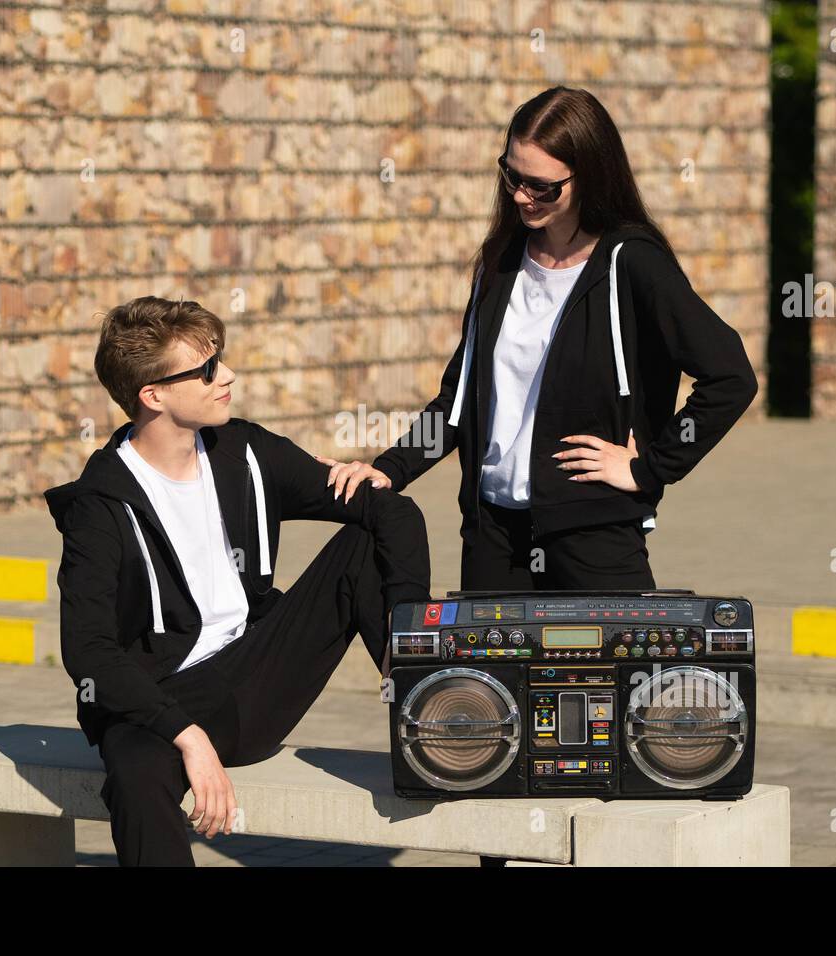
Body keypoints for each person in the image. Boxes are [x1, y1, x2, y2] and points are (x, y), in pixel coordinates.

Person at [321, 86, 759, 593]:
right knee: (489, 676)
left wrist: (649, 468)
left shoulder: (631, 262)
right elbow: (458, 399)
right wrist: (391, 470)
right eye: (511, 175)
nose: (521, 196)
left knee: (611, 675)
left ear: (589, 176)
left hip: (593, 529)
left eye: (542, 186)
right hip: (493, 534)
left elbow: (730, 377)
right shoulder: (502, 261)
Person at [44, 295, 431, 866]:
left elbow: (392, 513)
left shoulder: (244, 450)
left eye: (219, 359)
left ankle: (429, 699)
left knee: (370, 535)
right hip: (164, 699)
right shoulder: (100, 505)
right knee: (134, 772)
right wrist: (188, 736)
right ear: (153, 395)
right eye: (205, 370)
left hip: (260, 671)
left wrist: (409, 646)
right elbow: (90, 651)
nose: (226, 376)